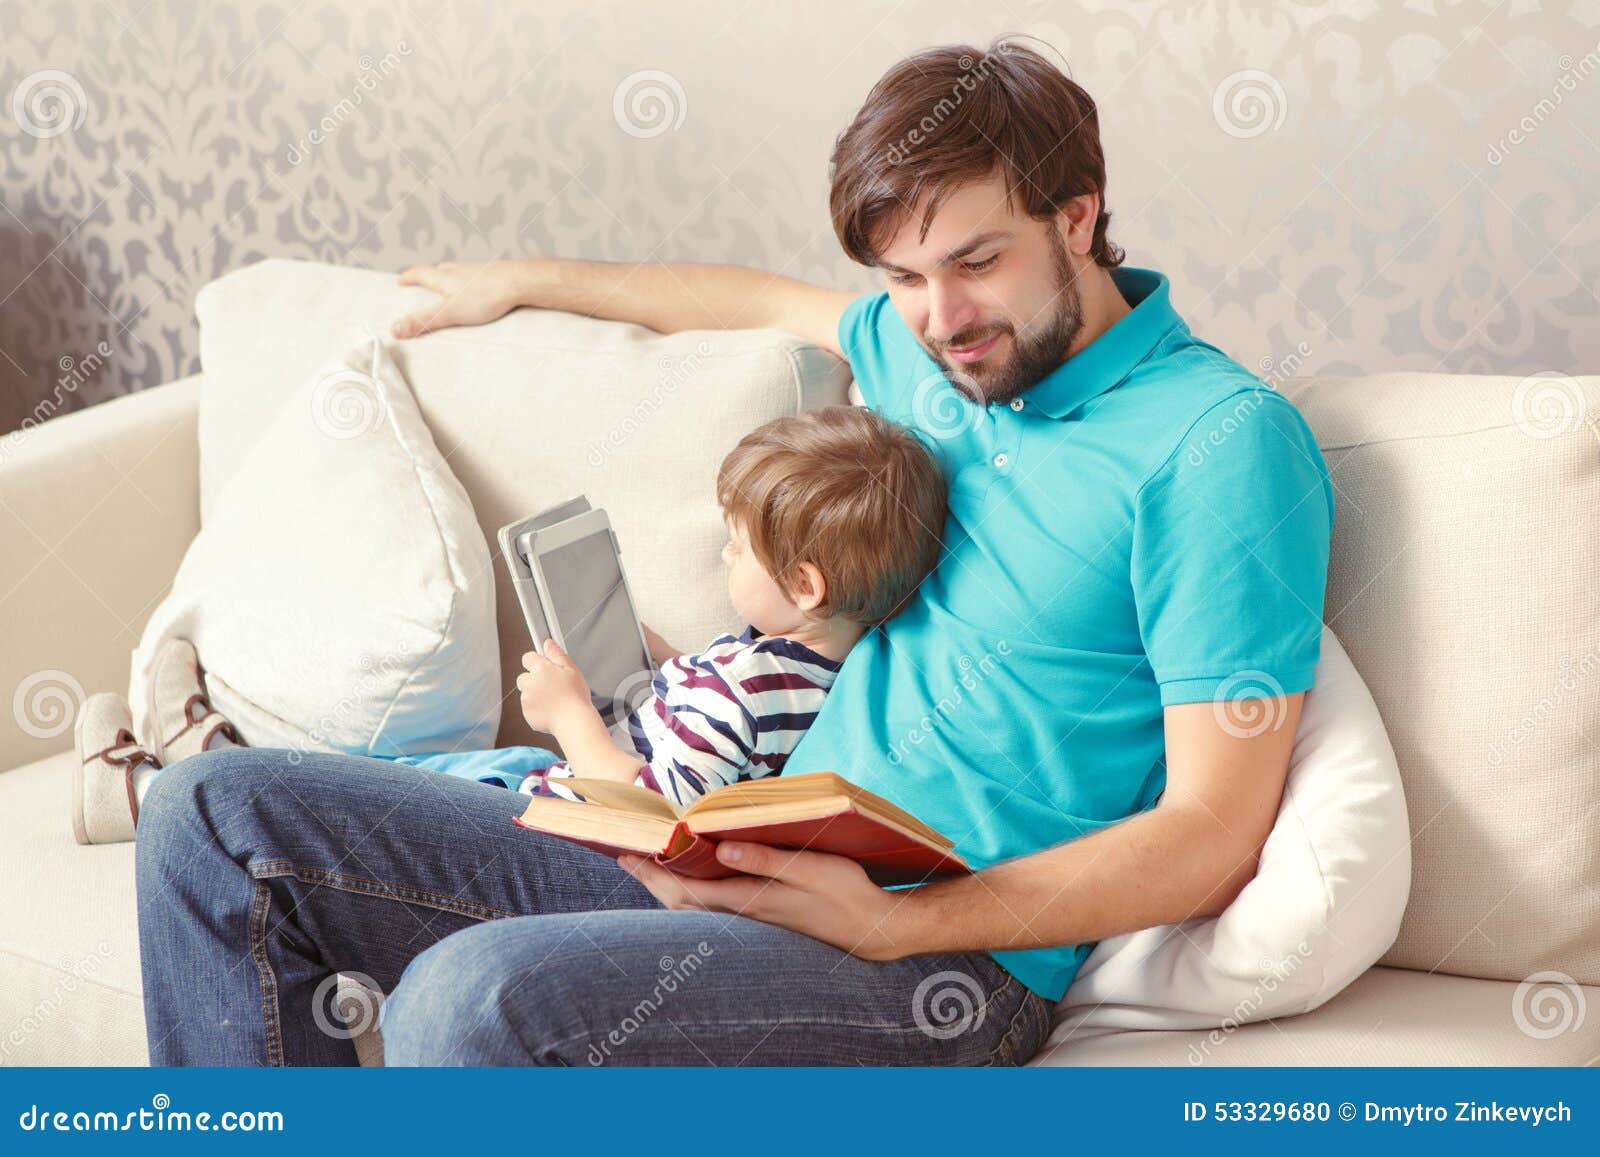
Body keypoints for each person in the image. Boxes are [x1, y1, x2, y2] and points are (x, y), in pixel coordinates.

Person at [135, 38, 1332, 1066]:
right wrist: (518, 278)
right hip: (733, 846)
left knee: (469, 997)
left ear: (1077, 216)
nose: (940, 317)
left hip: (945, 965)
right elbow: (746, 297)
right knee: (212, 813)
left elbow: (1211, 832)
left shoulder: (1218, 444)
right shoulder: (933, 354)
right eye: (903, 278)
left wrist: (899, 924)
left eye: (977, 262)